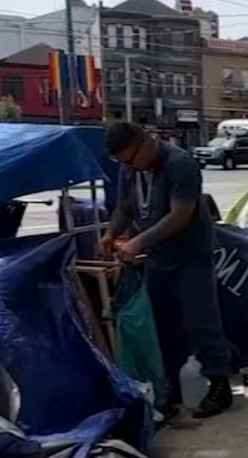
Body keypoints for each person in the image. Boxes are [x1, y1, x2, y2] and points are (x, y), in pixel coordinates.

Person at [101, 122, 235, 421]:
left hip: (191, 256)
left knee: (201, 321)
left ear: (146, 144)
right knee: (163, 325)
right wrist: (112, 233)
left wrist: (137, 241)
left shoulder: (180, 165)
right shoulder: (130, 168)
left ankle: (219, 384)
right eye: (121, 162)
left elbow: (179, 215)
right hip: (157, 258)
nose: (127, 166)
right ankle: (169, 387)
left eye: (129, 159)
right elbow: (124, 206)